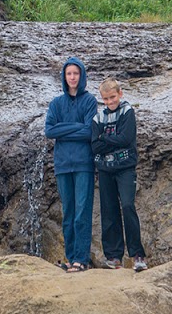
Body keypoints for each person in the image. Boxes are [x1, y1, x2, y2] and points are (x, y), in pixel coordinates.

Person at [44, 57, 96, 273]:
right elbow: (49, 131)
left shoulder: (90, 101)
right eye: (69, 74)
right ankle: (70, 256)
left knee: (82, 212)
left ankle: (81, 259)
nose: (72, 77)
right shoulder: (56, 103)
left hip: (84, 164)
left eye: (76, 73)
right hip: (63, 165)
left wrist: (64, 129)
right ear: (64, 77)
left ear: (81, 76)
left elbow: (90, 131)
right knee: (68, 212)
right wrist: (76, 127)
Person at [91, 78, 146, 271]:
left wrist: (104, 138)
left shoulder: (127, 112)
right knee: (109, 210)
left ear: (120, 94)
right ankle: (114, 256)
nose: (109, 102)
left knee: (128, 205)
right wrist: (111, 141)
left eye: (112, 97)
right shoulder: (98, 118)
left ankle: (137, 255)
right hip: (105, 170)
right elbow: (94, 145)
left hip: (125, 168)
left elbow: (126, 138)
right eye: (105, 99)